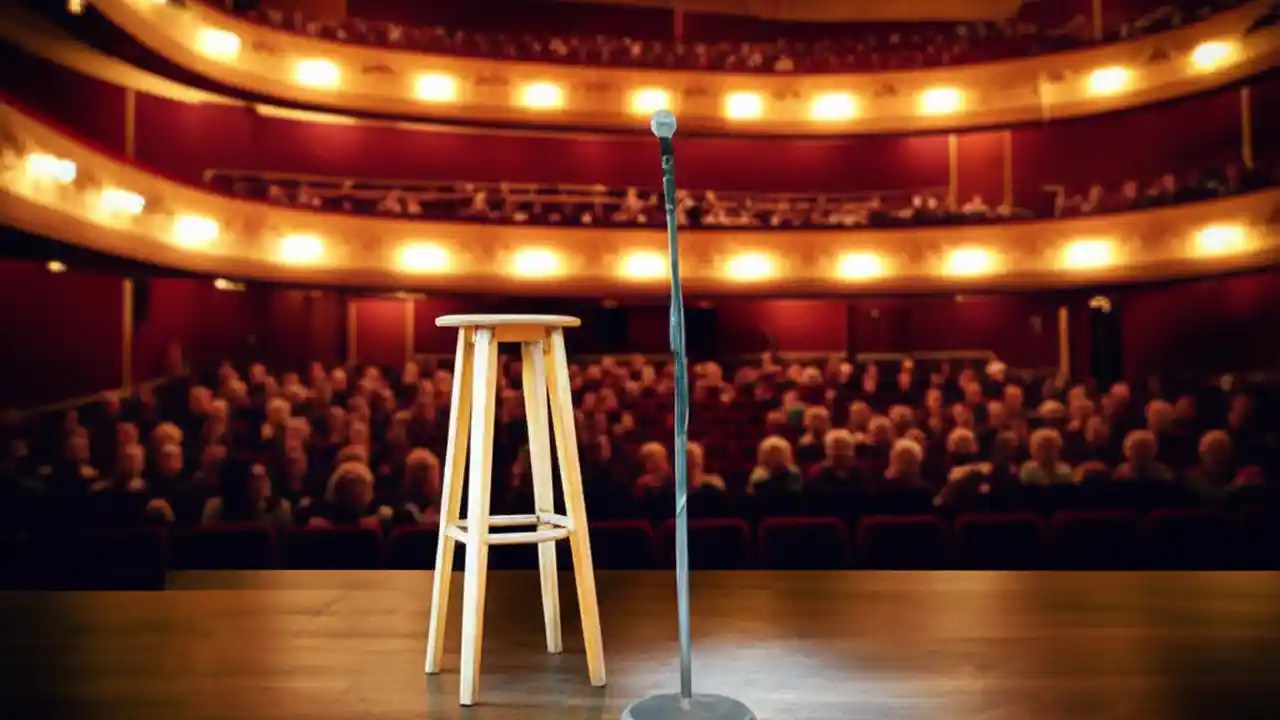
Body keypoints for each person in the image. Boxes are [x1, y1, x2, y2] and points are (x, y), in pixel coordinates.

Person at [201, 461, 292, 528]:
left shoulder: (279, 508)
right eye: (253, 478)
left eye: (261, 478)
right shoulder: (214, 509)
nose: (257, 484)